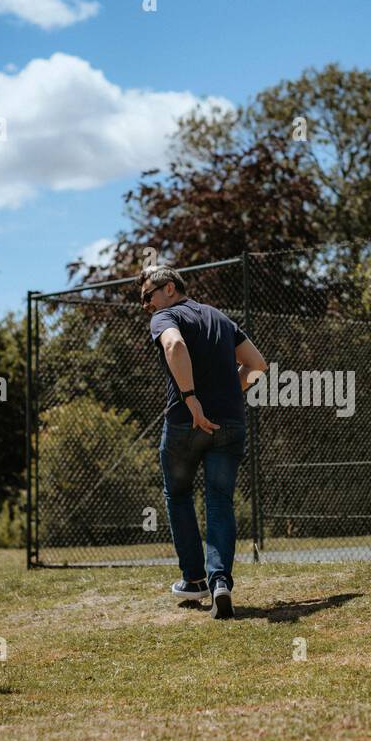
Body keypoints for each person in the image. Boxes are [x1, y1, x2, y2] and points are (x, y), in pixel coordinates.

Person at [140, 265, 267, 619]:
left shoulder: (165, 317)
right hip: (229, 422)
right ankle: (221, 582)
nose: (146, 305)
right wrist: (228, 392)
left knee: (178, 494)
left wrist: (192, 399)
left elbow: (175, 345)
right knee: (219, 501)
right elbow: (257, 364)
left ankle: (195, 579)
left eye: (147, 296)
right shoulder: (220, 318)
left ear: (167, 288)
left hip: (185, 424)